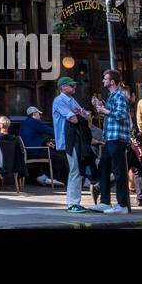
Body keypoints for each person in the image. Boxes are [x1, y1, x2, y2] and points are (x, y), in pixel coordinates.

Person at [91, 70, 131, 214]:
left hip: (117, 137)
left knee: (119, 171)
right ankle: (105, 202)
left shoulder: (120, 95)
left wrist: (104, 110)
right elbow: (109, 111)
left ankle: (122, 205)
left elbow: (121, 114)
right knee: (104, 167)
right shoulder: (112, 96)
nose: (103, 81)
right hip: (110, 137)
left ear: (112, 82)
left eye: (105, 79)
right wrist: (99, 106)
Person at [52, 77, 94, 212]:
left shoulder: (72, 100)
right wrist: (80, 115)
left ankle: (74, 202)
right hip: (67, 141)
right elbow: (75, 119)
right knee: (75, 170)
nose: (74, 88)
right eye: (71, 85)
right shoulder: (59, 100)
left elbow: (88, 116)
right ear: (63, 87)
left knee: (77, 170)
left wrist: (82, 115)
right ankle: (73, 203)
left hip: (76, 140)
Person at [18, 105, 62, 186]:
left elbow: (33, 135)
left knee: (50, 153)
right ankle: (50, 178)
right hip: (35, 151)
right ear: (34, 114)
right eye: (39, 114)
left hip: (26, 151)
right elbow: (51, 131)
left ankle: (42, 176)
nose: (40, 116)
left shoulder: (24, 123)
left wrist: (46, 141)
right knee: (59, 158)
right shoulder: (35, 122)